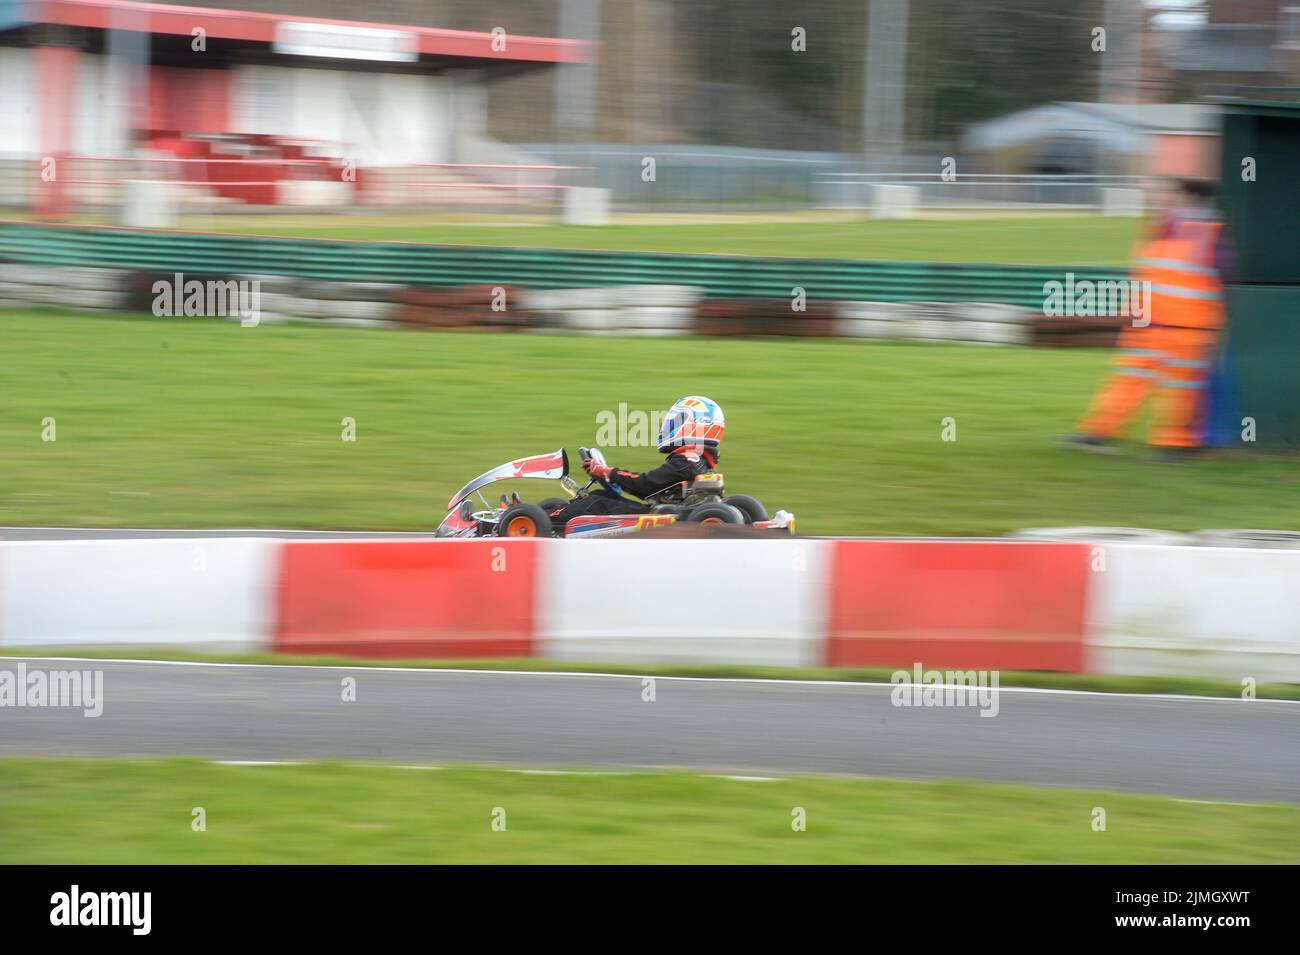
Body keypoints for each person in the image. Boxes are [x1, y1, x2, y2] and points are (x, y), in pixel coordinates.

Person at [1063, 177, 1231, 461]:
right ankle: (1097, 433)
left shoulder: (1209, 234)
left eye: (1166, 192)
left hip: (1185, 329)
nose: (1157, 197)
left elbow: (1224, 282)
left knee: (1181, 389)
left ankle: (1177, 445)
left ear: (1187, 197)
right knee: (1127, 380)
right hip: (1147, 326)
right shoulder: (1161, 229)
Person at [547, 396, 725, 527]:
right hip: (665, 513)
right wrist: (612, 477)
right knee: (603, 495)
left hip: (662, 518)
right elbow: (650, 490)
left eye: (677, 422)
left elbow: (645, 484)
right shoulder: (698, 460)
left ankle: (545, 521)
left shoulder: (688, 460)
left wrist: (607, 472)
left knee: (596, 501)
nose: (668, 427)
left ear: (699, 424)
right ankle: (551, 512)